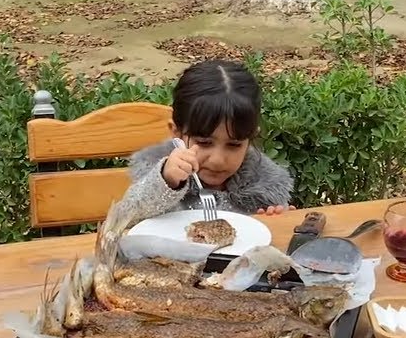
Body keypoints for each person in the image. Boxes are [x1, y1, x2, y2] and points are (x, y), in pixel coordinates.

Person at [123, 59, 294, 220]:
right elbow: (128, 216)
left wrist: (276, 223)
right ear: (177, 132)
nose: (218, 160)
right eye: (204, 143)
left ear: (250, 138)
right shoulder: (158, 174)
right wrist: (166, 181)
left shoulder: (265, 187)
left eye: (234, 145)